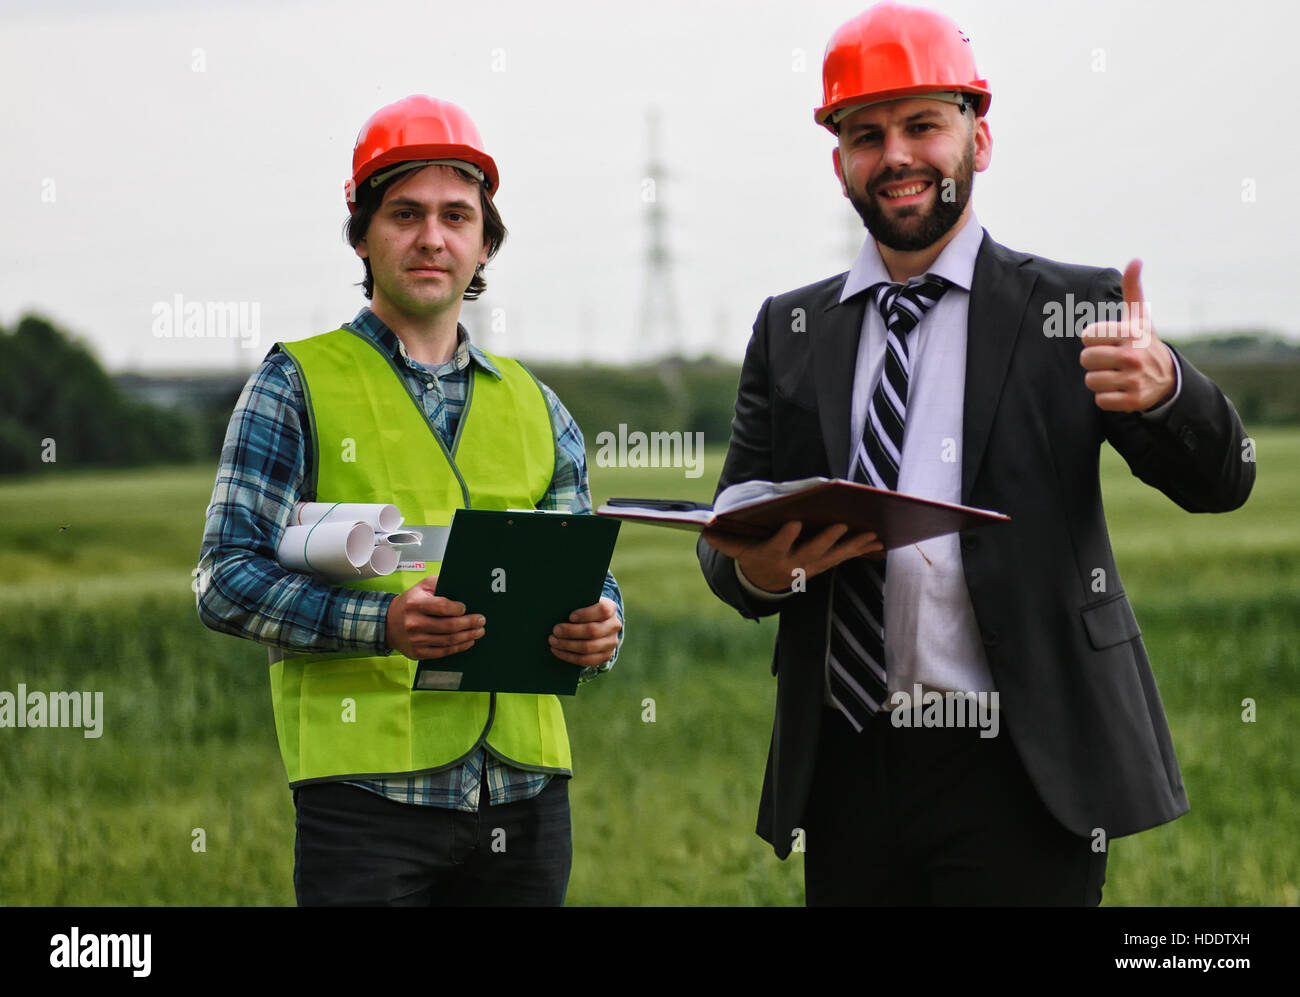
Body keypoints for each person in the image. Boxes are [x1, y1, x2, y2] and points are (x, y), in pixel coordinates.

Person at [696, 2, 1254, 906]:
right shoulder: (789, 328)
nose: (897, 155)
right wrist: (759, 574)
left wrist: (1168, 393)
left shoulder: (1073, 307)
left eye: (924, 125)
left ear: (978, 140)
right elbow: (726, 540)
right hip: (847, 767)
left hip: (1022, 766)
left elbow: (1225, 482)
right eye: (866, 134)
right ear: (840, 159)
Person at [197, 95, 623, 906]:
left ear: (484, 242)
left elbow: (589, 578)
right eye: (405, 214)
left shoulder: (540, 405)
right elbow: (224, 578)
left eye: (457, 216)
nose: (433, 237)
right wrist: (383, 624)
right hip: (365, 805)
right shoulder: (294, 385)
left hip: (526, 799)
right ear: (362, 234)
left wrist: (602, 627)